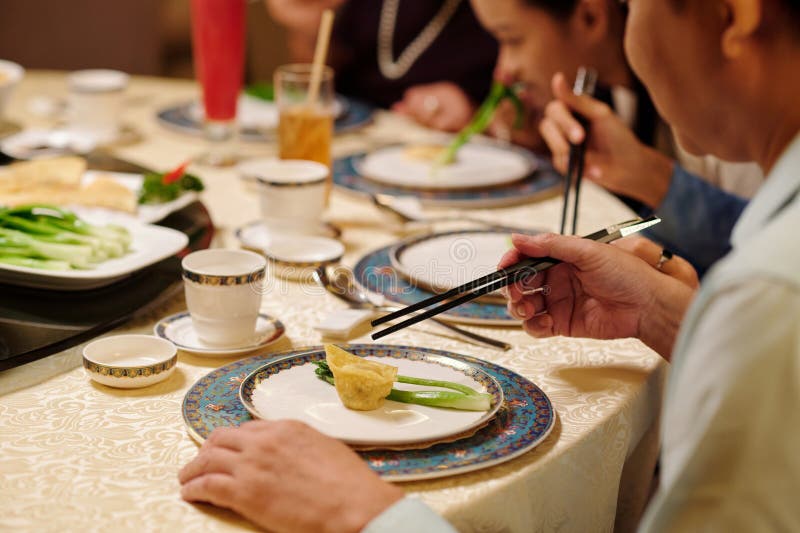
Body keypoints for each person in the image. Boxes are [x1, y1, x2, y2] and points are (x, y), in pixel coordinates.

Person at [179, 0, 800, 530]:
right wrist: (671, 316)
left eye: (634, 5)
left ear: (734, 15)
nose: (626, 32)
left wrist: (362, 512)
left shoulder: (770, 296)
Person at [469, 0, 761, 275]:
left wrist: (654, 178)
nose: (502, 71)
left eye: (512, 39)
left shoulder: (726, 109)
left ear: (591, 18)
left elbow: (766, 247)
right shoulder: (616, 100)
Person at [264, 0, 498, 132]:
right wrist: (306, 28)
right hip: (353, 144)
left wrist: (481, 119)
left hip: (463, 160)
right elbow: (316, 84)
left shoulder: (504, 11)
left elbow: (527, 128)